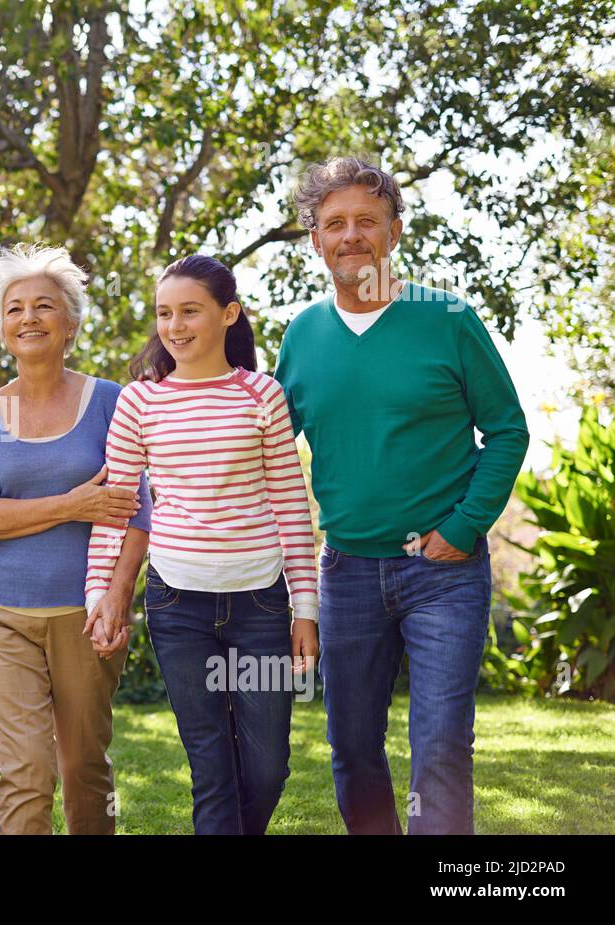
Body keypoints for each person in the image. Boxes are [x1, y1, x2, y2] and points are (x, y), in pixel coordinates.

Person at [274, 156, 530, 834]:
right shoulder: (301, 337)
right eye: (335, 224)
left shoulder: (446, 318)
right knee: (354, 751)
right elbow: (265, 452)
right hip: (347, 572)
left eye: (367, 220)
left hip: (443, 572)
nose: (350, 234)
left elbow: (507, 428)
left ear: (393, 233)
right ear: (315, 241)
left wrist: (467, 525)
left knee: (441, 743)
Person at [87, 255, 319, 835]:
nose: (176, 326)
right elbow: (117, 510)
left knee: (267, 768)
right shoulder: (139, 402)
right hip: (176, 604)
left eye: (190, 311)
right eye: (165, 314)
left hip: (260, 603)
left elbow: (293, 506)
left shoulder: (262, 395)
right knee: (212, 769)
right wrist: (101, 594)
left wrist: (306, 611)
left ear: (228, 314)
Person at [0, 243, 152, 835]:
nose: (29, 318)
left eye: (44, 306)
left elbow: (139, 509)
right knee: (27, 768)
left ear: (70, 322)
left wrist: (119, 596)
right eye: (14, 309)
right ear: (2, 327)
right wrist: (74, 504)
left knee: (84, 765)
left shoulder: (112, 402)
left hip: (85, 612)